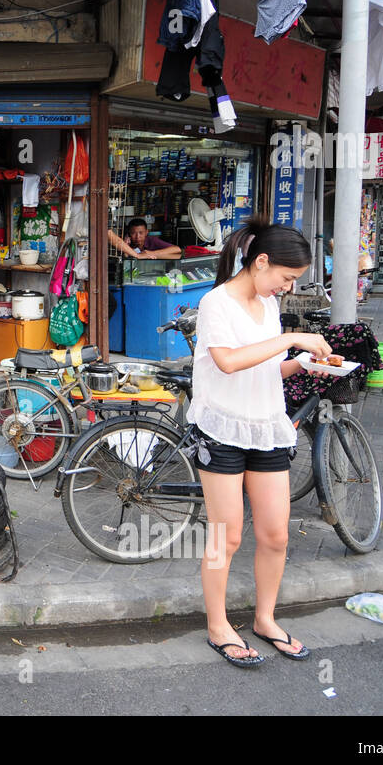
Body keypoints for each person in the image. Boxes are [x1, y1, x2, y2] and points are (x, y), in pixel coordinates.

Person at [188, 218, 332, 668]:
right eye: (287, 278)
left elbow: (265, 367)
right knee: (225, 536)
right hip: (223, 430)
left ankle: (265, 619)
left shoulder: (267, 305)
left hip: (266, 427)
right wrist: (290, 339)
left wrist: (302, 365)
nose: (287, 288)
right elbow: (229, 363)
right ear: (261, 262)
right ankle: (217, 626)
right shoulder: (216, 303)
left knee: (275, 534)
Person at [107, 217, 182, 260]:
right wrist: (126, 248)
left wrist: (151, 253)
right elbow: (123, 258)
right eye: (133, 233)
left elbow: (177, 249)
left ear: (146, 232)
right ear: (129, 233)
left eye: (141, 233)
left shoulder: (152, 240)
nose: (137, 236)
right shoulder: (125, 243)